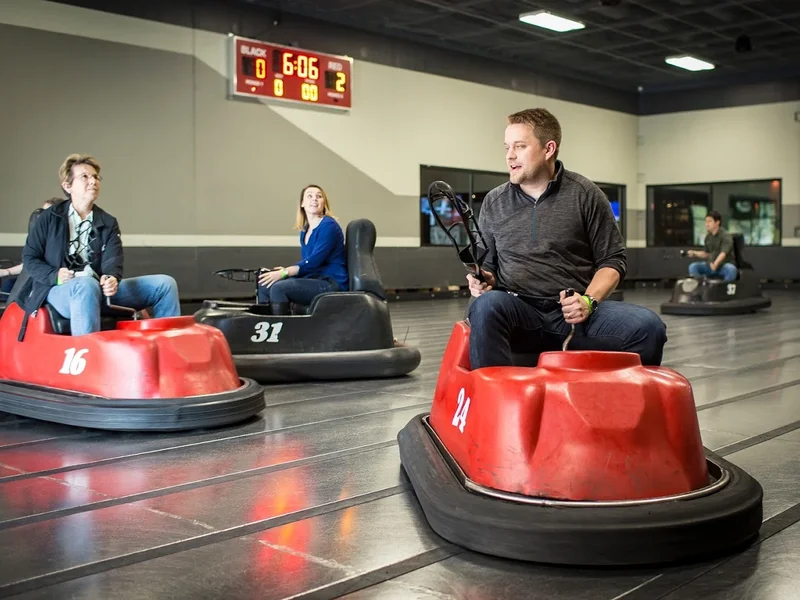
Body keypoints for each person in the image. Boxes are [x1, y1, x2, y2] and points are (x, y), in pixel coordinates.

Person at [466, 108, 667, 369]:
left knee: (648, 327)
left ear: (548, 149)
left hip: (575, 315)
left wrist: (588, 301)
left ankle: (617, 405)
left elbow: (613, 260)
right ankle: (490, 403)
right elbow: (489, 265)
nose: (509, 155)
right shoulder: (495, 201)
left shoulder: (585, 194)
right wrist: (483, 281)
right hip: (519, 311)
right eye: (506, 147)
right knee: (485, 305)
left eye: (520, 146)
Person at [16, 154, 180, 338]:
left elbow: (113, 261)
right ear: (67, 186)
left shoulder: (108, 222)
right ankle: (88, 359)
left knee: (165, 284)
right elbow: (30, 259)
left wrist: (111, 278)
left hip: (97, 289)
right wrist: (55, 276)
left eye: (96, 177)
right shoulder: (49, 218)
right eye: (85, 177)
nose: (93, 181)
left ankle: (169, 351)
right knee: (86, 285)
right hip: (58, 290)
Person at [257, 185, 349, 315]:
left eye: (319, 196)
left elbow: (313, 262)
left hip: (331, 282)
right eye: (310, 196)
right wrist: (282, 273)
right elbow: (308, 265)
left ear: (324, 203)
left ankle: (284, 331)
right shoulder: (305, 230)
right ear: (302, 203)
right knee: (265, 283)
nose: (314, 199)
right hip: (314, 278)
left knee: (279, 288)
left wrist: (286, 272)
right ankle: (265, 327)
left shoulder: (329, 226)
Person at [0, 199, 60, 293]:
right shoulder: (38, 238)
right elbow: (30, 264)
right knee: (9, 284)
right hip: (36, 277)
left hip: (49, 280)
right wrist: (6, 271)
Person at [686, 211, 738, 282]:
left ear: (717, 222)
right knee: (693, 267)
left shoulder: (725, 236)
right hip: (710, 265)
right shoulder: (708, 237)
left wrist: (716, 263)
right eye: (706, 221)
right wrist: (694, 253)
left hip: (723, 265)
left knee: (731, 269)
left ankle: (723, 290)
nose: (706, 224)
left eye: (709, 221)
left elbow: (723, 253)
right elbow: (706, 254)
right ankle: (702, 287)